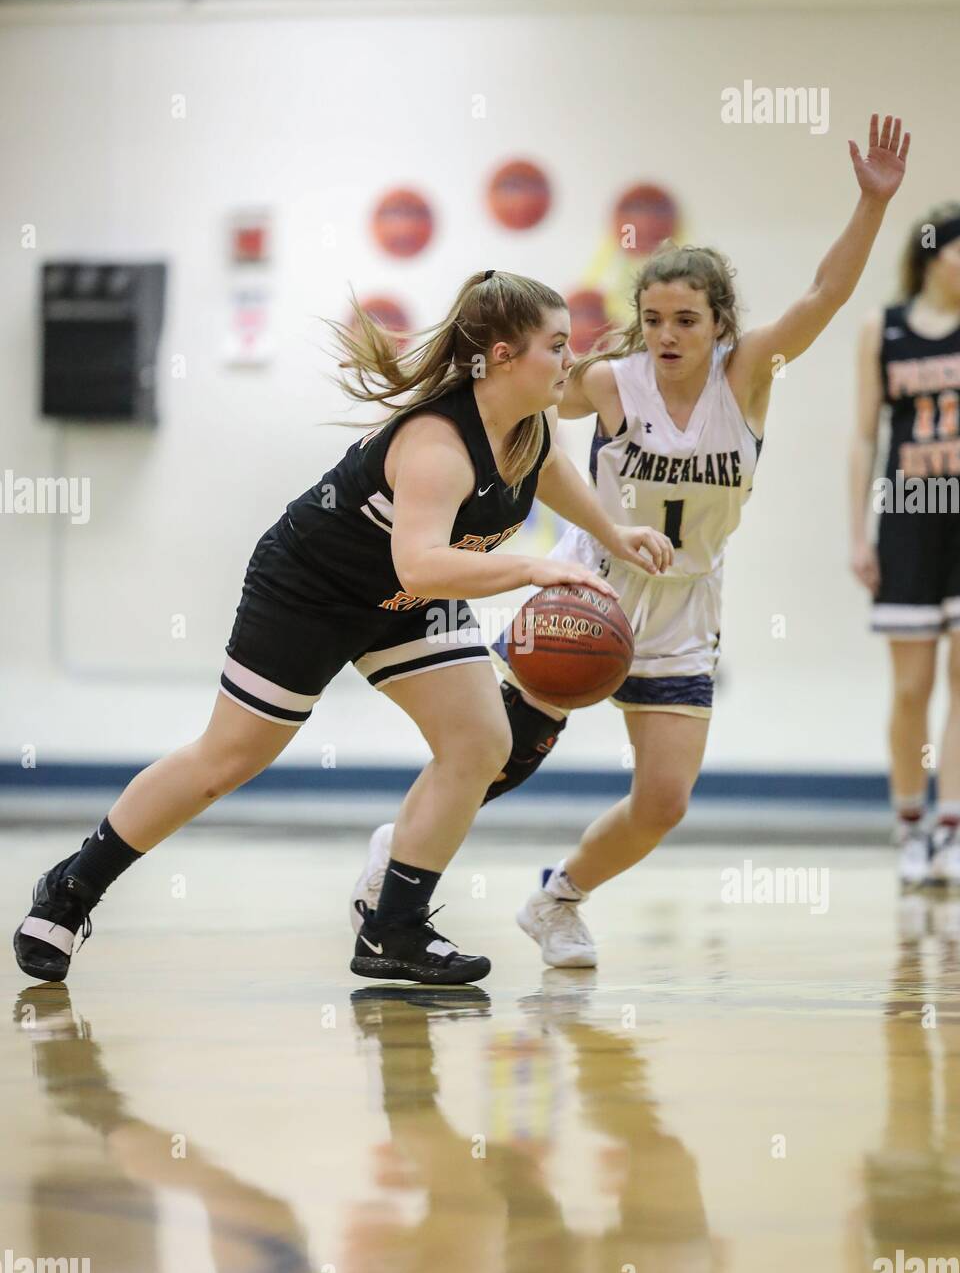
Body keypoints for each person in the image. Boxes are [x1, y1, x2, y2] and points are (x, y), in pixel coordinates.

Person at [353, 113, 911, 968]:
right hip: (588, 594)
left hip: (686, 609)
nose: (668, 335)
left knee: (664, 801)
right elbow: (513, 397)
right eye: (653, 318)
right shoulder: (612, 381)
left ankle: (558, 899)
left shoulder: (750, 374)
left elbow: (824, 297)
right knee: (498, 761)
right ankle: (396, 859)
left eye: (686, 319)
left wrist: (871, 206)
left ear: (721, 322)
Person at [14, 270, 671, 987]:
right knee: (226, 760)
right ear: (504, 356)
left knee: (483, 743)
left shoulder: (530, 428)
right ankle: (73, 887)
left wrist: (613, 528)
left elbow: (548, 478)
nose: (571, 360)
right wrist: (534, 571)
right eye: (556, 345)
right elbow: (421, 566)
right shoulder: (437, 445)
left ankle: (392, 928)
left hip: (401, 602)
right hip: (310, 592)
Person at [850, 200, 960, 886]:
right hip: (910, 522)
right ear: (933, 254)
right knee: (912, 686)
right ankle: (909, 823)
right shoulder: (882, 329)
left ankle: (951, 825)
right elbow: (865, 436)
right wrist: (857, 533)